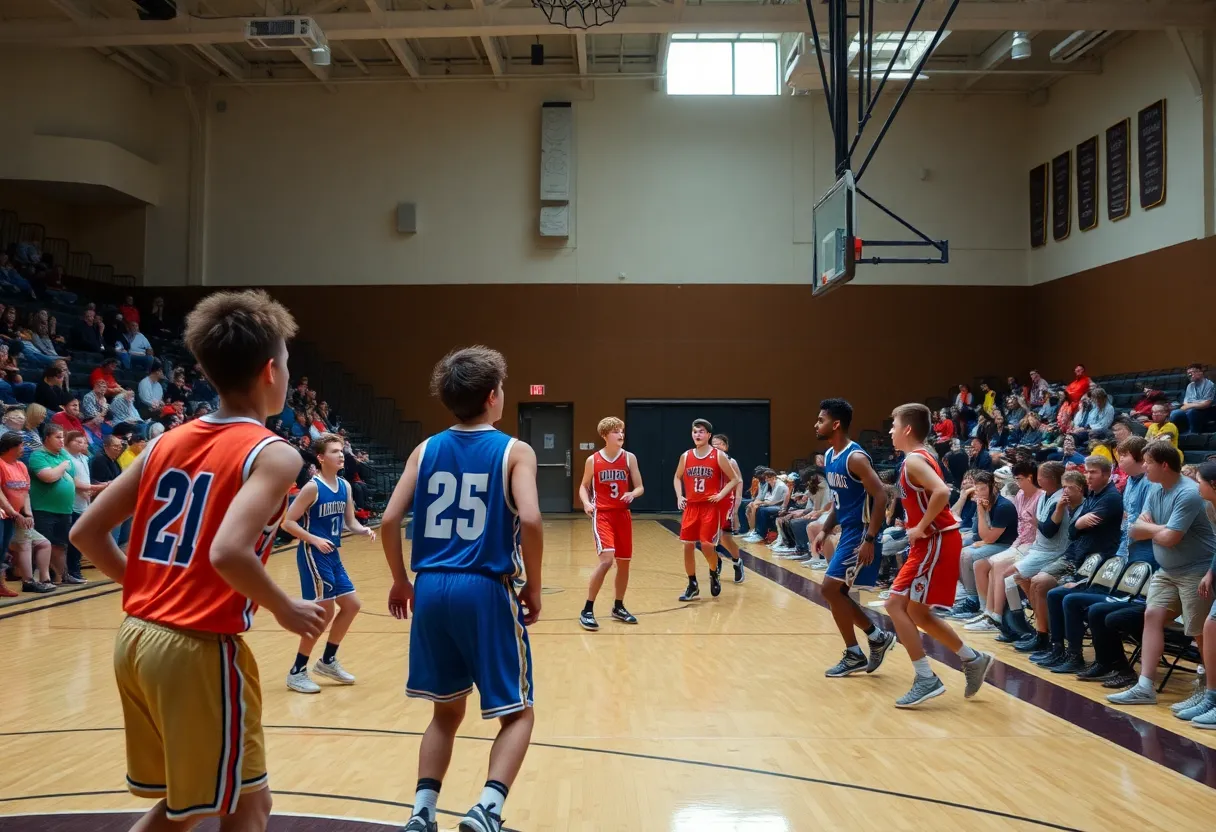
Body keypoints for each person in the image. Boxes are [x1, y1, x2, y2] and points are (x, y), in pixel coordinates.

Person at [69, 290, 327, 832]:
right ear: (269, 372)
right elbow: (228, 551)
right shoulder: (274, 452)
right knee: (227, 807)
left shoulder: (166, 442)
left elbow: (86, 532)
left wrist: (151, 588)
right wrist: (285, 608)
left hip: (137, 636)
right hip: (196, 649)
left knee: (218, 805)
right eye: (285, 361)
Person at [382, 346, 543, 832]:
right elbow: (532, 519)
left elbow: (390, 519)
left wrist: (399, 580)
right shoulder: (516, 451)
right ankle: (487, 809)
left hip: (430, 588)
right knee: (518, 714)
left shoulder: (424, 449)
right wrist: (533, 586)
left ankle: (421, 813)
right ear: (494, 396)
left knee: (445, 713)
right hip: (484, 586)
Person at [885, 403, 993, 706]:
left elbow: (943, 492)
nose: (890, 431)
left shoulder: (914, 462)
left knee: (895, 605)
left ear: (907, 429)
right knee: (917, 612)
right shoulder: (920, 458)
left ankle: (926, 678)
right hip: (935, 540)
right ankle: (973, 659)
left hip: (935, 540)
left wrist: (920, 525)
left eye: (893, 425)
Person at [1108, 441, 1216, 706]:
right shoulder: (1155, 488)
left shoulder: (1188, 493)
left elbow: (1170, 538)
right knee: (1152, 616)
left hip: (1197, 569)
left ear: (1164, 465)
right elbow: (1134, 529)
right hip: (1167, 570)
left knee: (1200, 632)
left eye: (1148, 462)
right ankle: (1145, 686)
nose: (1144, 467)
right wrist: (1160, 529)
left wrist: (1154, 529)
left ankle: (1207, 691)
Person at [280, 432, 376, 694]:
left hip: (332, 554)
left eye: (342, 450)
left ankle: (328, 661)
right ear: (321, 458)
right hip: (313, 554)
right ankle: (297, 671)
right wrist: (314, 539)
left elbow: (349, 521)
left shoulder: (344, 486)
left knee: (352, 605)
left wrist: (363, 530)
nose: (341, 454)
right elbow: (287, 522)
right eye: (335, 451)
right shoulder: (312, 487)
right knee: (323, 614)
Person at [812, 398, 895, 678]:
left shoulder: (855, 457)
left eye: (821, 420)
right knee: (838, 593)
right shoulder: (831, 456)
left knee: (829, 590)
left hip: (860, 532)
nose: (816, 424)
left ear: (835, 424)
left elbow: (881, 495)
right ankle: (875, 639)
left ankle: (857, 651)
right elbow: (839, 501)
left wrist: (869, 540)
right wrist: (825, 528)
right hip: (845, 528)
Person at [576, 416, 644, 630]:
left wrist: (633, 493)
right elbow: (583, 486)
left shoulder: (629, 458)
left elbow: (640, 486)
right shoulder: (593, 460)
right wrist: (587, 503)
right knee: (606, 560)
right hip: (602, 514)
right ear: (605, 435)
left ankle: (618, 607)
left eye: (622, 431)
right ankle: (587, 609)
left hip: (622, 515)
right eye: (616, 431)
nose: (621, 435)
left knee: (624, 562)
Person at [673, 418, 740, 602]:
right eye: (695, 431)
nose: (697, 435)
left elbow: (735, 479)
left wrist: (720, 494)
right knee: (687, 546)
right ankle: (692, 584)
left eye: (701, 431)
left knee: (707, 546)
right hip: (691, 506)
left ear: (709, 435)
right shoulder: (686, 456)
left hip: (710, 507)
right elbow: (677, 477)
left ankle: (713, 571)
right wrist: (680, 496)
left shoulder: (718, 456)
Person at [709, 433, 745, 583]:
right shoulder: (708, 461)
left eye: (719, 443)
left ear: (726, 446)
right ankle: (716, 561)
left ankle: (737, 561)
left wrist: (736, 504)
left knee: (724, 538)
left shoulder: (731, 461)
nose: (716, 445)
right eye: (713, 443)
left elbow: (739, 481)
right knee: (707, 538)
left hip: (726, 502)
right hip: (710, 502)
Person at [1171, 363, 1215, 435]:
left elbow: (1206, 404)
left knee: (1192, 412)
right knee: (1175, 413)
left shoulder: (1209, 385)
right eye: (1188, 373)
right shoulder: (1190, 386)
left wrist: (1190, 405)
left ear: (1200, 372)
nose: (1190, 375)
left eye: (1192, 372)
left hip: (1207, 411)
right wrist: (1193, 404)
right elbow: (1185, 403)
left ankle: (1193, 435)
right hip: (1191, 409)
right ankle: (1176, 435)